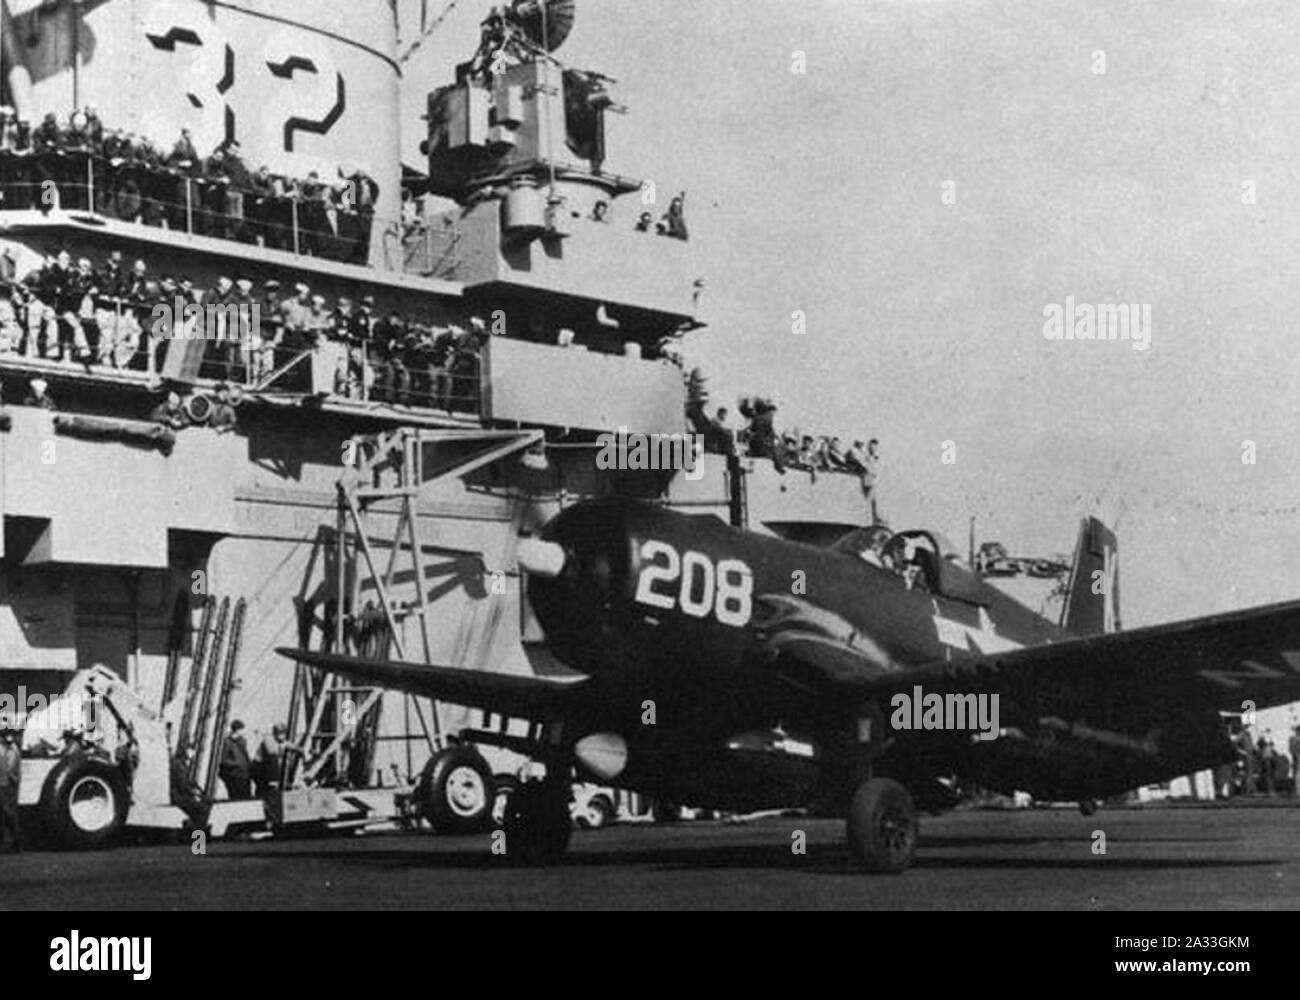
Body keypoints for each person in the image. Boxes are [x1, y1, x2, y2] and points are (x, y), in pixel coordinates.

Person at [0, 715, 20, 853]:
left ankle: (14, 843)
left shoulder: (12, 749)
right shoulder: (8, 748)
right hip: (4, 783)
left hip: (7, 785)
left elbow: (12, 769)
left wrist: (10, 781)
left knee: (9, 815)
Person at [218, 719, 252, 799]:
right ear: (238, 730)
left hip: (245, 774)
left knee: (246, 797)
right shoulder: (227, 742)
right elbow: (223, 760)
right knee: (236, 797)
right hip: (234, 775)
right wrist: (236, 763)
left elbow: (246, 756)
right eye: (242, 730)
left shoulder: (243, 741)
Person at [255, 723, 289, 797]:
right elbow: (271, 753)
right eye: (283, 734)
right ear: (277, 734)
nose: (284, 736)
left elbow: (288, 744)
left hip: (267, 769)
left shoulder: (277, 741)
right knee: (266, 790)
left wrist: (300, 750)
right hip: (261, 769)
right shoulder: (269, 740)